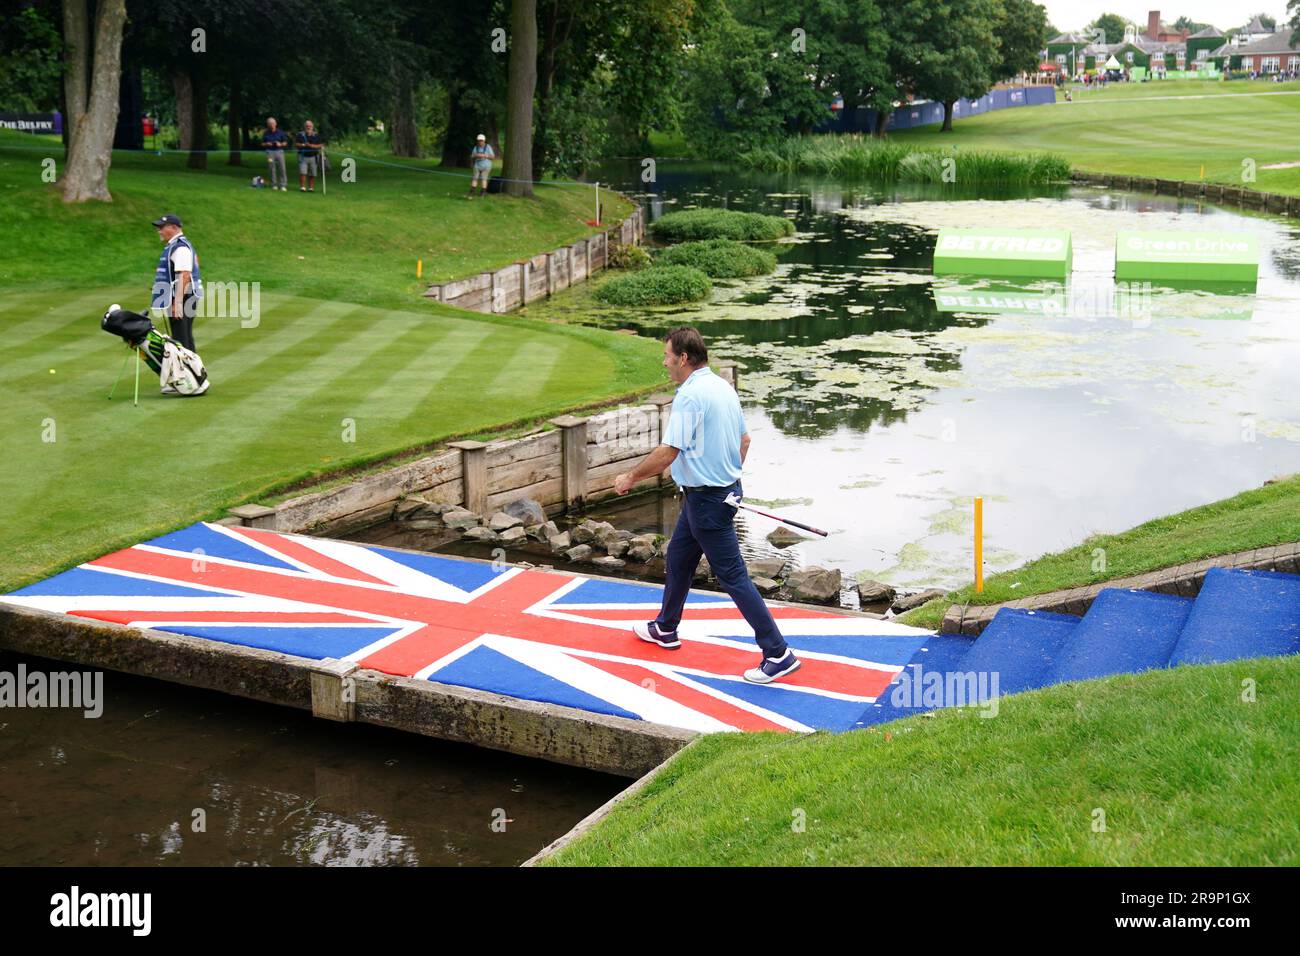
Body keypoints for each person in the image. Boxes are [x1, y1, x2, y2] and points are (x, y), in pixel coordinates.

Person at [613, 327, 801, 685]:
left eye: (667, 356)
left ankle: (778, 652)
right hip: (718, 493)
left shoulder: (690, 396)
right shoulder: (722, 387)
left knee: (733, 577)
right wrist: (726, 474)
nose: (664, 362)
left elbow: (669, 452)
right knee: (680, 558)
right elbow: (744, 440)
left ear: (684, 358)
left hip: (708, 500)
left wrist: (630, 477)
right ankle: (666, 628)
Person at [149, 213, 203, 352]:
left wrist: (177, 302)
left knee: (180, 339)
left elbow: (184, 274)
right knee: (185, 337)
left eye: (162, 227)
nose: (159, 231)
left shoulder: (180, 247)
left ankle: (187, 370)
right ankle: (194, 370)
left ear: (174, 227)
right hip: (184, 296)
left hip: (182, 297)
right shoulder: (177, 245)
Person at [262, 116, 288, 192]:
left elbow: (285, 143)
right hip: (269, 152)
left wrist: (280, 144)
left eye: (272, 123)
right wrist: (267, 144)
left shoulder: (280, 132)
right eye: (269, 124)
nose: (271, 125)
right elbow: (262, 144)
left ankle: (283, 185)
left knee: (282, 168)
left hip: (279, 152)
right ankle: (274, 184)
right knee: (271, 168)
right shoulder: (266, 133)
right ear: (267, 125)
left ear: (275, 124)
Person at [296, 120, 324, 192]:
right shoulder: (300, 135)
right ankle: (302, 187)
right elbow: (296, 144)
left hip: (313, 157)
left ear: (312, 127)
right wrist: (303, 145)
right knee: (303, 172)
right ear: (304, 127)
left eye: (310, 126)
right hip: (303, 156)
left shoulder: (316, 135)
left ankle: (311, 188)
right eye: (307, 126)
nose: (308, 127)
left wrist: (311, 146)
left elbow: (321, 145)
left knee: (312, 173)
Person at [468, 133, 496, 199]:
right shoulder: (476, 147)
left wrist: (485, 155)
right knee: (475, 178)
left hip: (486, 166)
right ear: (477, 141)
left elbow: (493, 157)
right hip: (477, 165)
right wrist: (476, 155)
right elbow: (471, 156)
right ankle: (472, 191)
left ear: (484, 140)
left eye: (481, 140)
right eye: (479, 140)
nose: (480, 142)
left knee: (484, 178)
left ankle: (483, 192)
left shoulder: (488, 147)